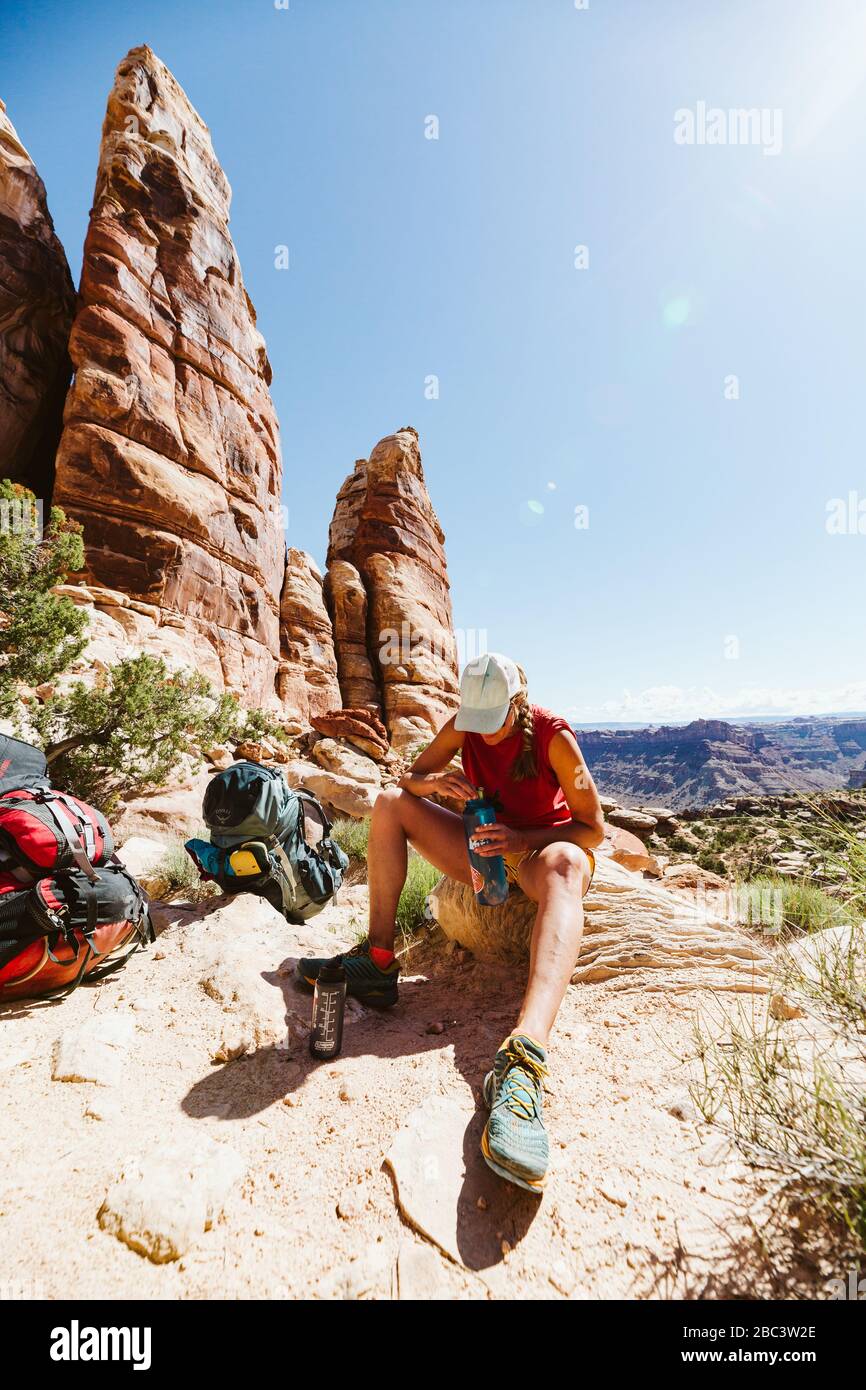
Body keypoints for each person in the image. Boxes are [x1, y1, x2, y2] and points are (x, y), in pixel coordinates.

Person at [297, 652, 605, 1194]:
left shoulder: (555, 737)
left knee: (569, 864)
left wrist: (522, 841)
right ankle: (377, 960)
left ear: (518, 704)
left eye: (495, 723)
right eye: (475, 723)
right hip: (482, 850)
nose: (483, 736)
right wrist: (436, 783)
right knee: (390, 804)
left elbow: (593, 830)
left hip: (537, 855)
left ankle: (523, 1058)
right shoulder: (465, 723)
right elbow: (407, 780)